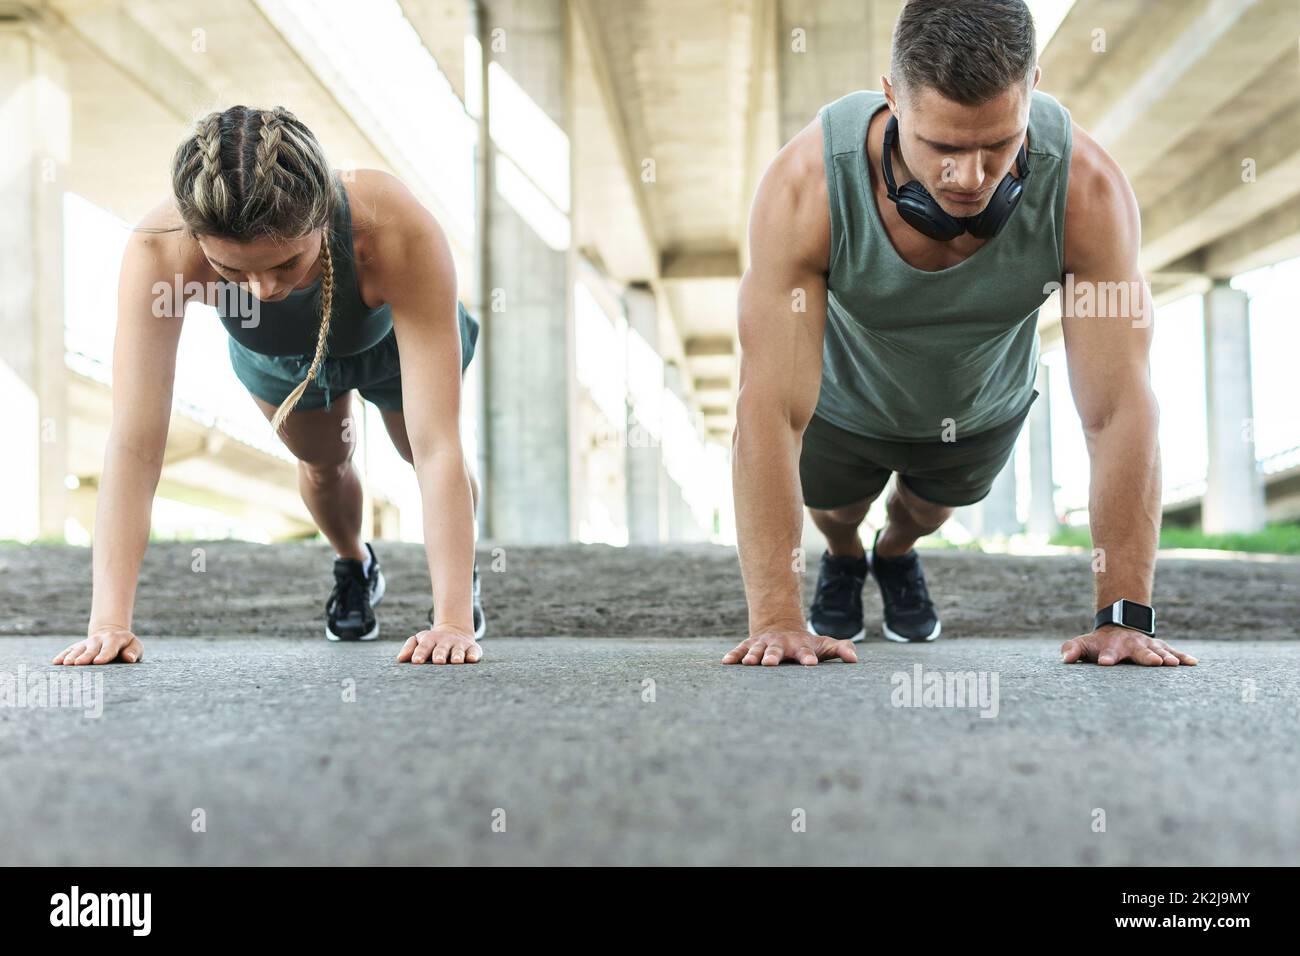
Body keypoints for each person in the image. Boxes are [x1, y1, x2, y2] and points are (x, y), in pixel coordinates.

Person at [725, 0, 1195, 668]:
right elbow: (766, 406)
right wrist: (777, 618)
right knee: (836, 510)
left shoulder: (1086, 191)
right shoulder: (807, 187)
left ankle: (894, 554)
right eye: (943, 147)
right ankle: (845, 554)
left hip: (977, 409)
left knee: (924, 513)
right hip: (846, 403)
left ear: (1033, 89)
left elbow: (1119, 409)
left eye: (999, 145)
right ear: (892, 100)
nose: (971, 178)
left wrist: (1123, 619)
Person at [54, 105, 485, 667]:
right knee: (325, 465)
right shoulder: (160, 251)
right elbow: (134, 445)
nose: (260, 289)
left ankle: (461, 580)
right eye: (232, 272)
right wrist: (109, 624)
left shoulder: (392, 225)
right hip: (279, 360)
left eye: (286, 264)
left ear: (322, 221)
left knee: (415, 448)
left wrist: (450, 624)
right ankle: (356, 564)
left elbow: (438, 447)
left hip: (390, 350)